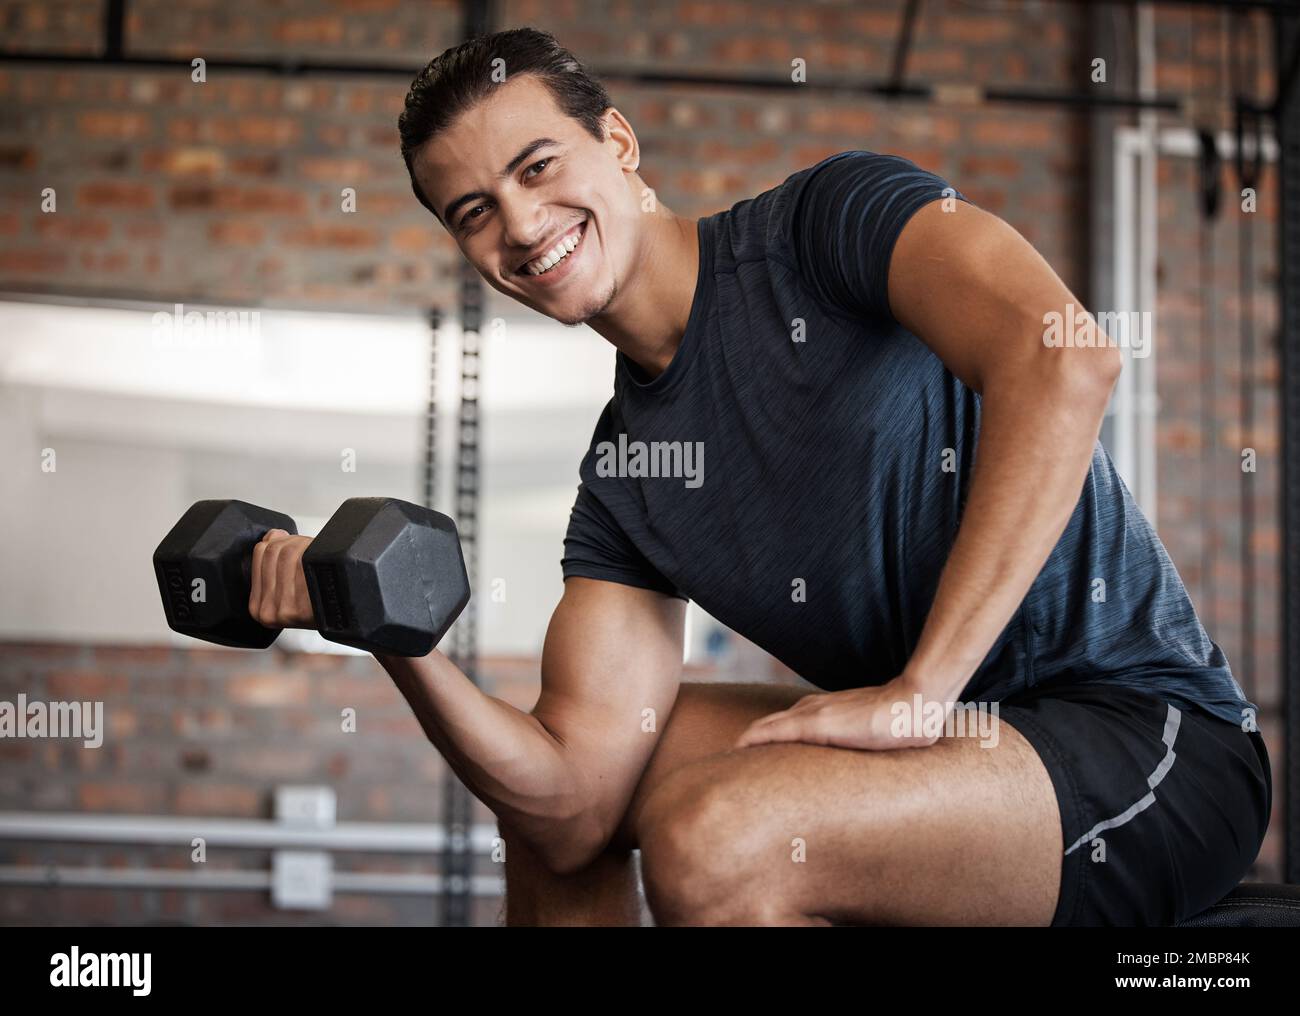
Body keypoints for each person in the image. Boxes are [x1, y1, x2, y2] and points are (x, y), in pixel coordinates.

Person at [250, 27, 1271, 926]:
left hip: (1146, 737)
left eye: (536, 166)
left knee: (717, 838)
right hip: (953, 756)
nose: (518, 226)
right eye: (472, 210)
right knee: (575, 801)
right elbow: (568, 806)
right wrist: (395, 639)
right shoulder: (626, 482)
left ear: (617, 143)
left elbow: (1062, 354)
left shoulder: (823, 225)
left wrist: (921, 692)